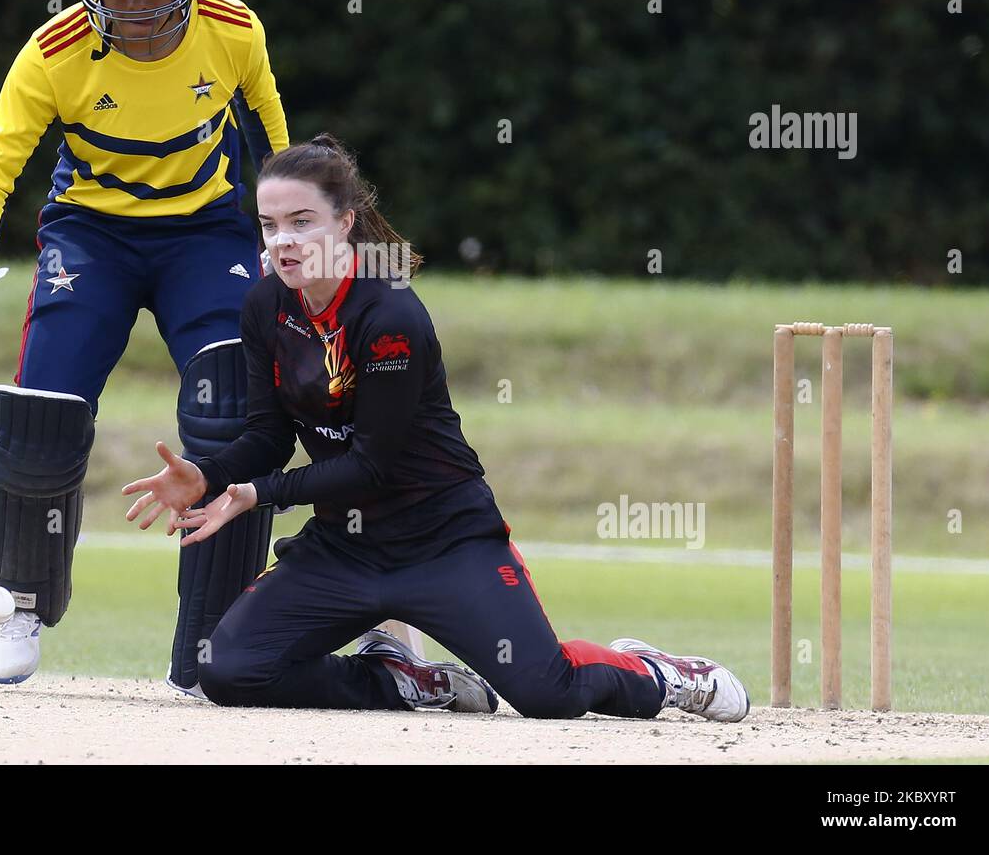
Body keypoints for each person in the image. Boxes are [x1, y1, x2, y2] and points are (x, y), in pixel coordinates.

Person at [122, 134, 750, 720]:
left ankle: (661, 674)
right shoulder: (265, 305)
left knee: (543, 692)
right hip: (346, 549)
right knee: (230, 672)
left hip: (444, 541)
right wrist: (206, 474)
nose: (282, 242)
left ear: (344, 223)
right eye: (269, 225)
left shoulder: (390, 313)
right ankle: (406, 681)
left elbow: (373, 466)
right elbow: (268, 435)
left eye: (301, 222)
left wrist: (256, 494)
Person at [0, 0, 290, 692]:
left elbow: (274, 148)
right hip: (92, 234)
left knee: (229, 401)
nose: (141, 16)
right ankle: (22, 606)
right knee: (40, 408)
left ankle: (215, 640)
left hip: (205, 232)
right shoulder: (52, 53)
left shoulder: (234, 31)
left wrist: (287, 245)